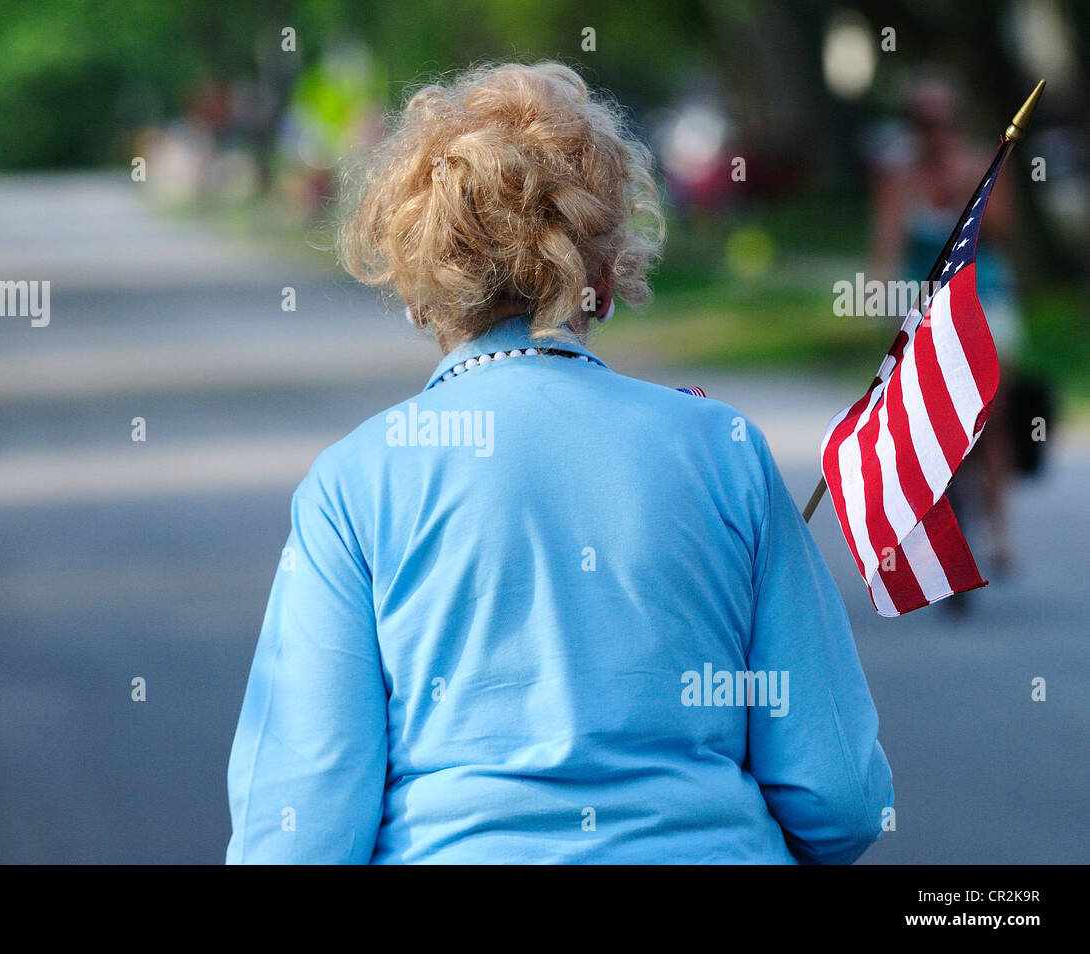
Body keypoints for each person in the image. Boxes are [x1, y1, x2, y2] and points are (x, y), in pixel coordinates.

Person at [226, 62, 892, 864]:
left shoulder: (352, 484)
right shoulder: (724, 451)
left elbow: (298, 830)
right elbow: (842, 800)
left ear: (419, 290)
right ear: (605, 277)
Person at [871, 78, 1023, 576]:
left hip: (984, 297)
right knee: (928, 420)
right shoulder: (899, 177)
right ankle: (933, 529)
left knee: (991, 417)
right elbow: (887, 247)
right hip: (924, 304)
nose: (935, 134)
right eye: (924, 124)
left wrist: (967, 195)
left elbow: (1002, 232)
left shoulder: (982, 164)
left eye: (943, 124)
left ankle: (998, 527)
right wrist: (881, 303)